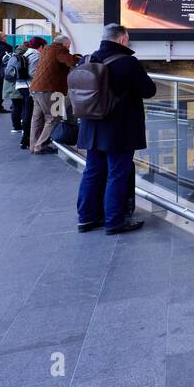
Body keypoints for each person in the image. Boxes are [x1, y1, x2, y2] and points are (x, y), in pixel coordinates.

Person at [75, 24, 156, 235]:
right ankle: (114, 221)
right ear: (122, 40)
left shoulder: (87, 59)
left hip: (91, 126)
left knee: (92, 172)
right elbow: (149, 90)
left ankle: (86, 218)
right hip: (118, 129)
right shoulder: (127, 62)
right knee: (117, 174)